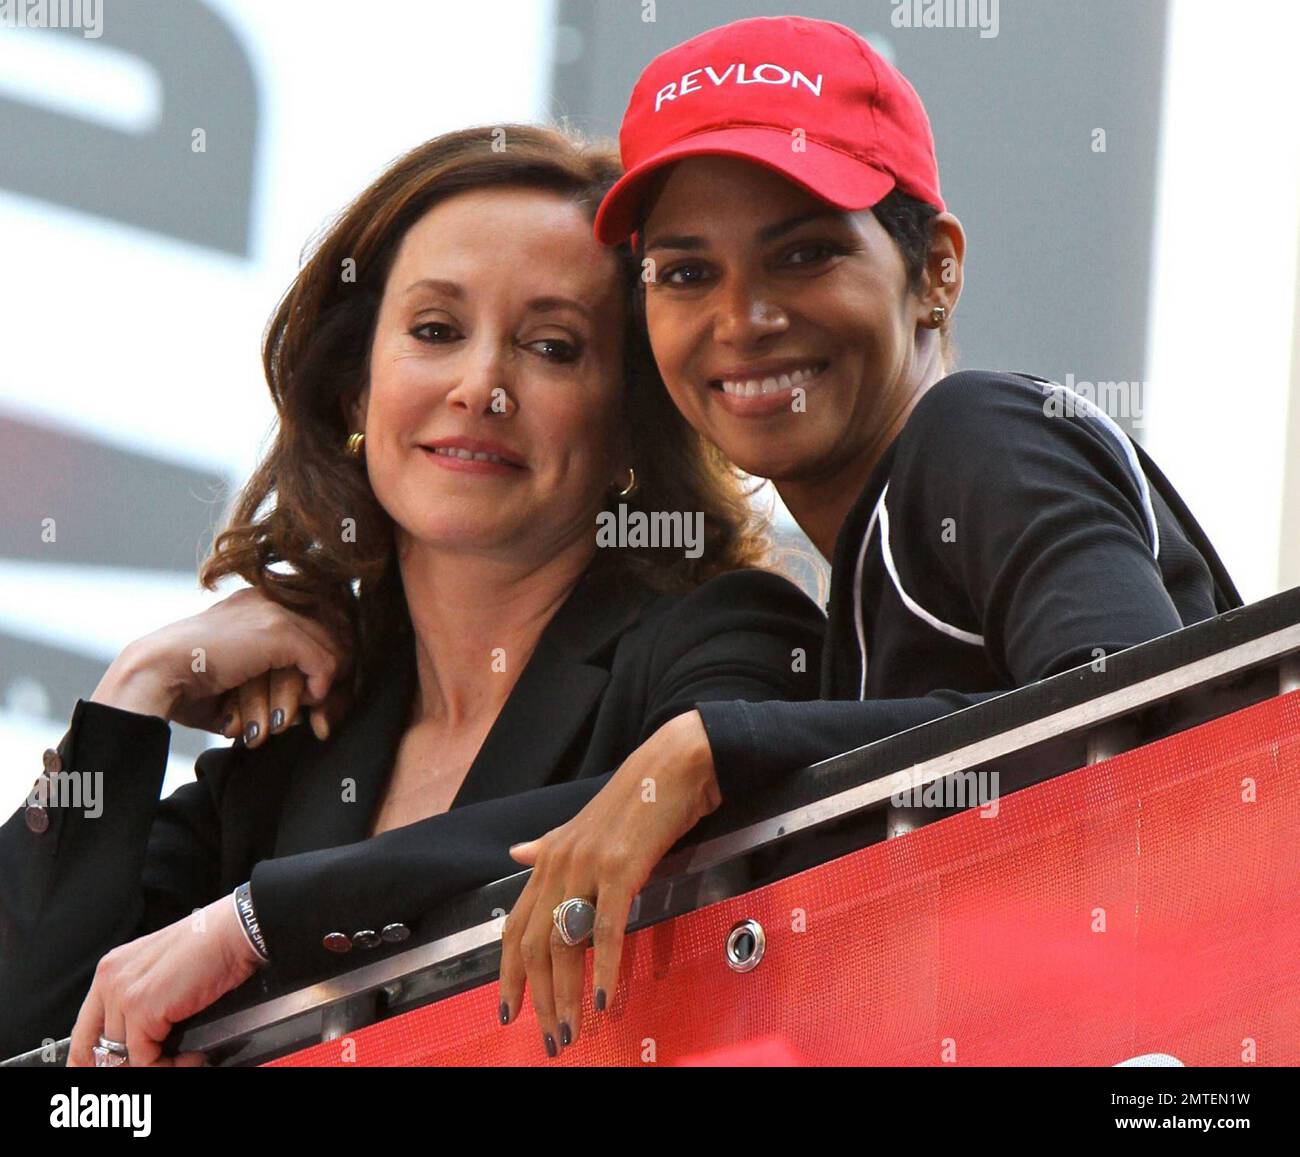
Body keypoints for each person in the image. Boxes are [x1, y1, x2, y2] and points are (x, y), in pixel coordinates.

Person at [0, 124, 824, 1065]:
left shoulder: (727, 632)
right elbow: (41, 1032)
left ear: (633, 422)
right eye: (436, 331)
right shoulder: (302, 746)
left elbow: (640, 808)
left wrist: (255, 923)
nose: (483, 386)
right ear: (356, 393)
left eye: (552, 347)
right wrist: (135, 687)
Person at [495, 15, 1241, 1044]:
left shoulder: (981, 427)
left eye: (802, 252)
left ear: (934, 267)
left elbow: (1134, 721)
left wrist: (721, 745)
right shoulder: (858, 603)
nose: (741, 317)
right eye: (684, 271)